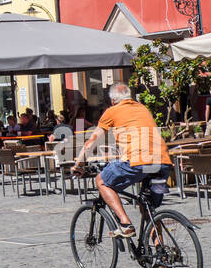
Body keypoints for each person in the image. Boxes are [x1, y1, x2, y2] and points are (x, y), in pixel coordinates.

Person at [72, 83, 172, 240]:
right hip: (163, 163)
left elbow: (92, 140)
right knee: (148, 209)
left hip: (138, 162)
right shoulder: (142, 108)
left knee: (102, 181)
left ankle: (125, 224)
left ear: (112, 100)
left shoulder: (112, 111)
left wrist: (78, 164)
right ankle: (161, 254)